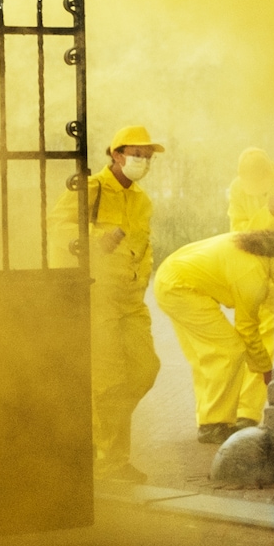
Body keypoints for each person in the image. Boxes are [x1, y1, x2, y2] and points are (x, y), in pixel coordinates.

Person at [153, 228, 274, 445]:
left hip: (173, 278)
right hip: (179, 288)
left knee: (210, 356)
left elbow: (266, 302)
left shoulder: (257, 254)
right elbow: (247, 330)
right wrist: (264, 369)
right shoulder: (253, 276)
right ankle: (213, 425)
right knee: (228, 350)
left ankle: (210, 419)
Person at [74, 125, 163, 484]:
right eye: (135, 153)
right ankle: (109, 460)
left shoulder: (141, 199)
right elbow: (56, 227)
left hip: (131, 301)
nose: (142, 160)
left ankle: (95, 435)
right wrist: (97, 239)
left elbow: (143, 243)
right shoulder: (91, 189)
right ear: (116, 154)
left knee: (145, 370)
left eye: (147, 155)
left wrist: (143, 278)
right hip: (99, 299)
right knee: (109, 380)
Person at [227, 147, 274, 232]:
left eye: (260, 181)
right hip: (254, 244)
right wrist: (268, 212)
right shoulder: (237, 189)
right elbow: (237, 231)